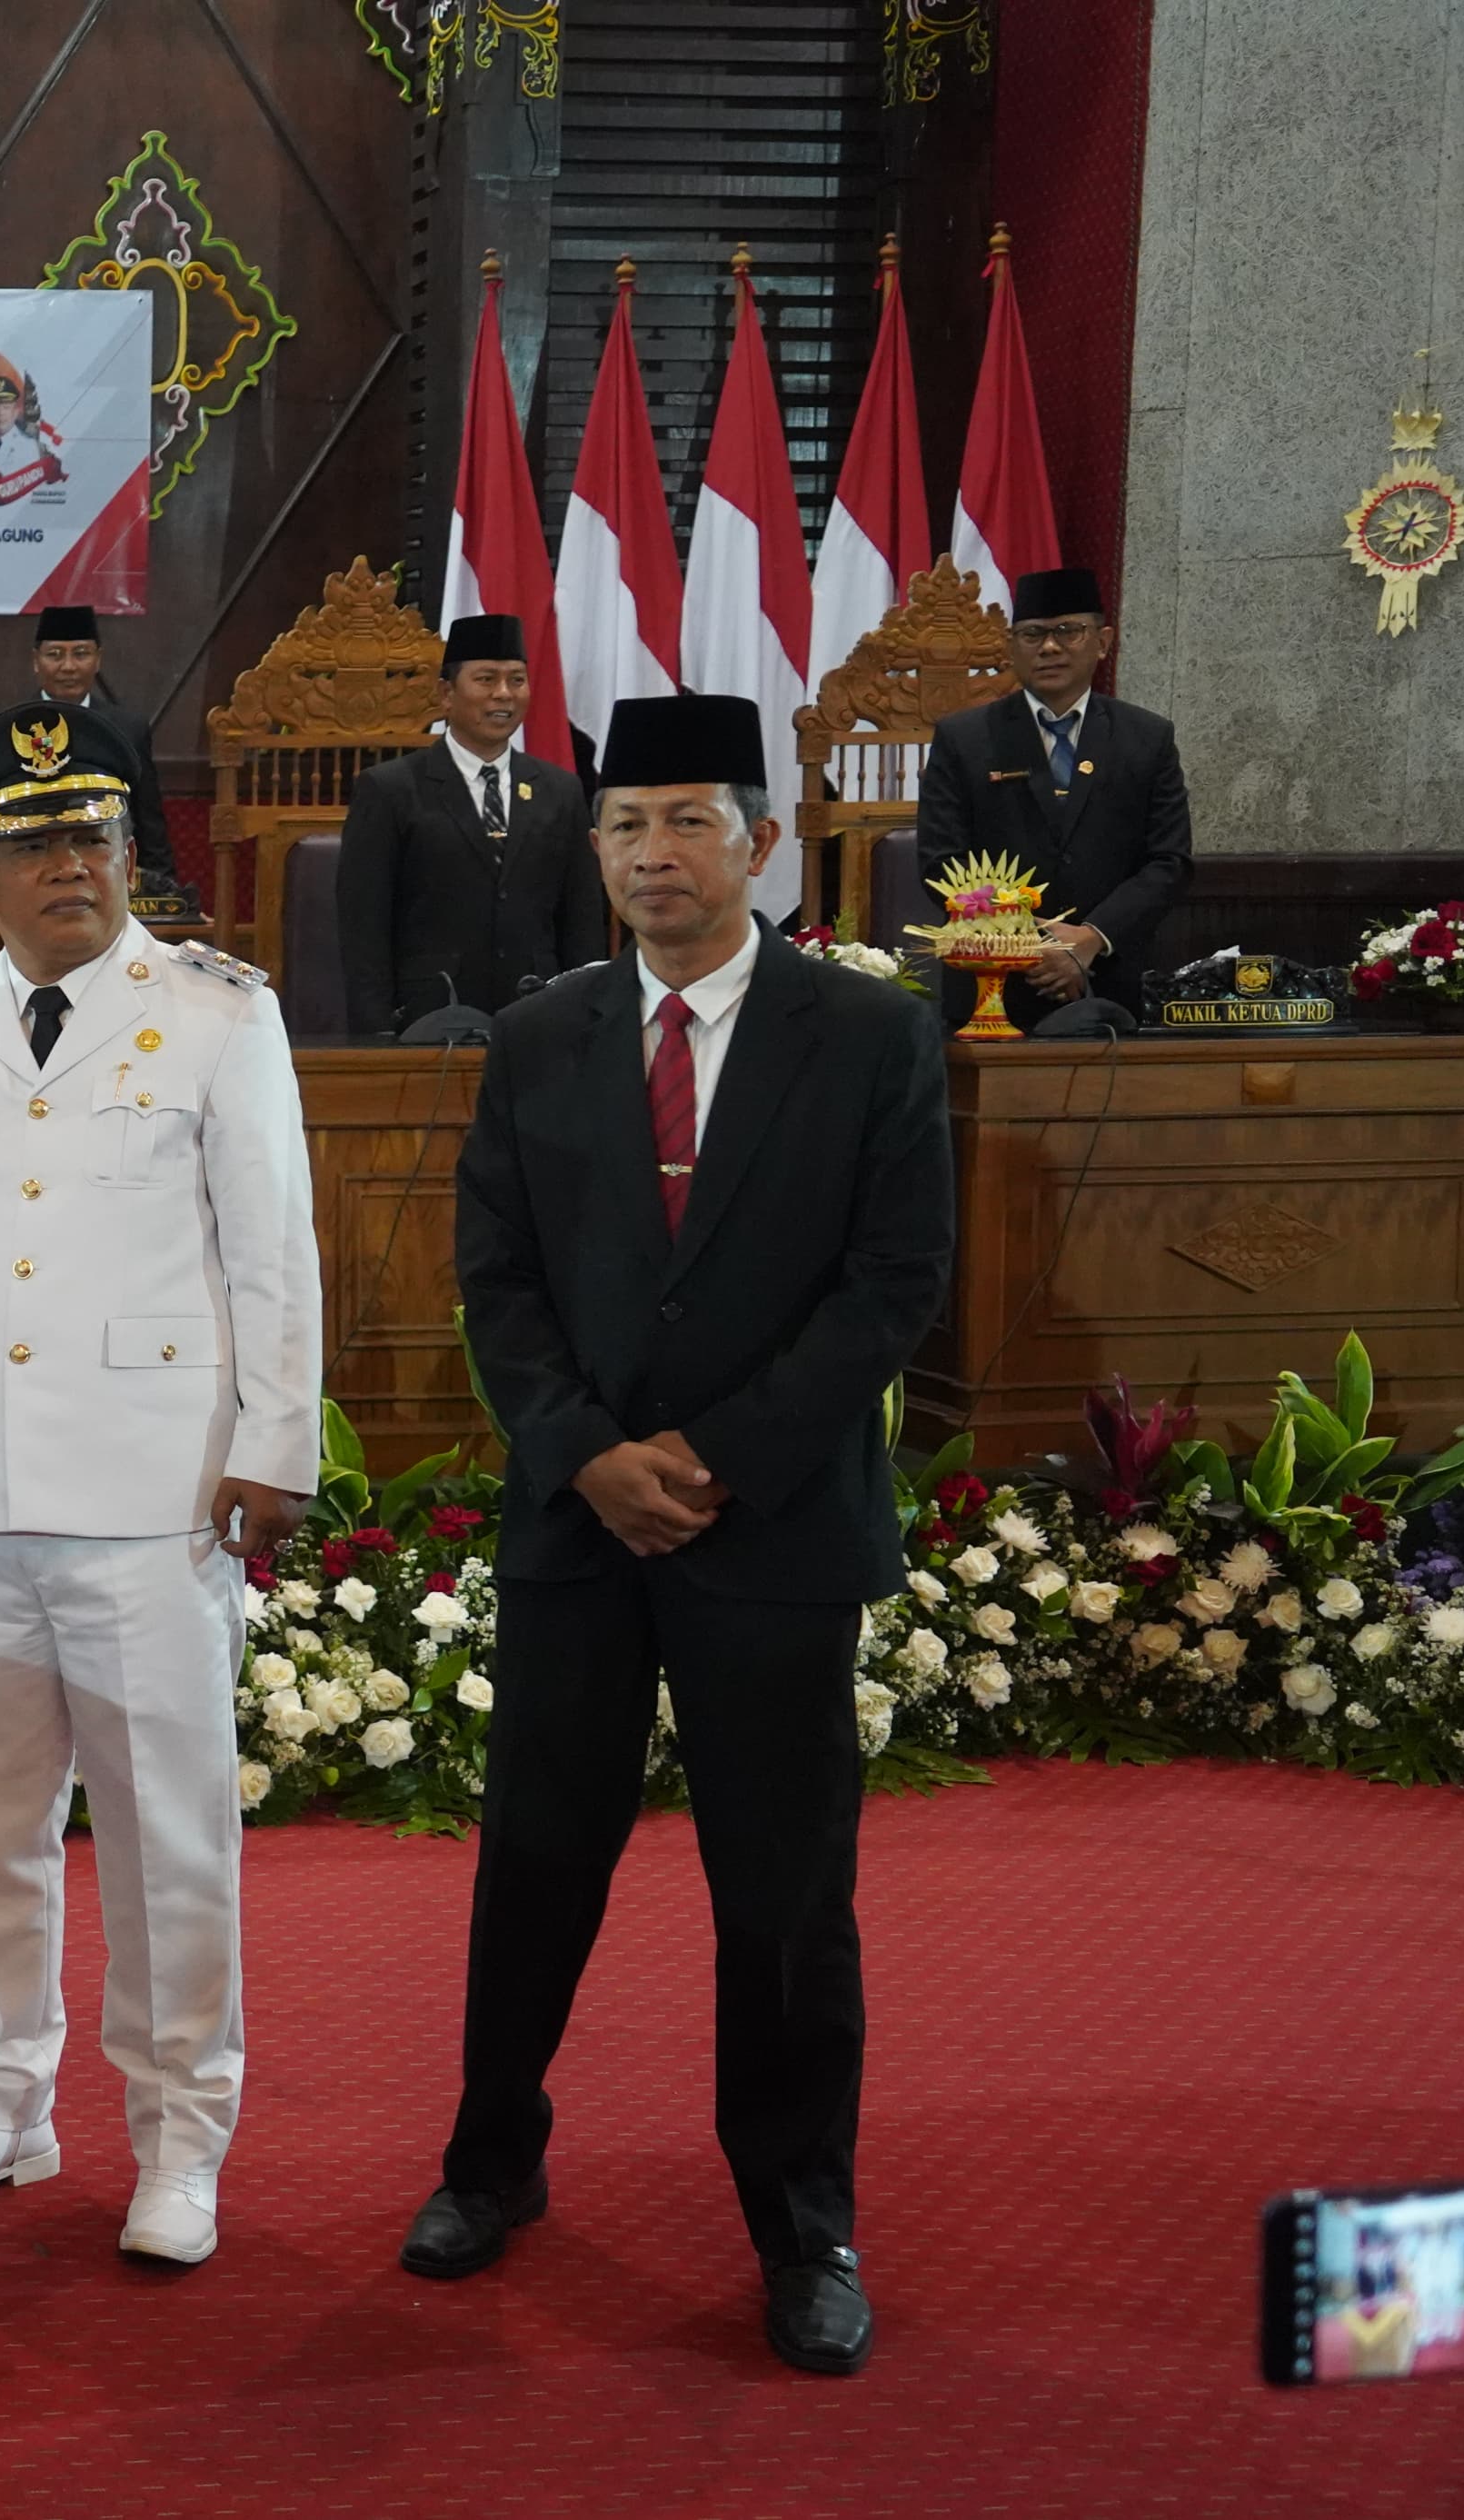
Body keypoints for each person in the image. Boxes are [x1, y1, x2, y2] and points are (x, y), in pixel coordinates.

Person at [405, 692, 953, 2377]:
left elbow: (893, 1286)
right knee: (535, 1869)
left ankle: (806, 2224)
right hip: (584, 1530)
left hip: (770, 1532)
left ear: (761, 842)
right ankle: (492, 2162)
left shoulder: (867, 1036)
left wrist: (711, 1457)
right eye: (626, 826)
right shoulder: (540, 1031)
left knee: (784, 1899)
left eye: (689, 823)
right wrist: (587, 1457)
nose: (653, 854)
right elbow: (497, 1283)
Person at [0, 702, 321, 2266]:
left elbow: (273, 1248)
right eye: (33, 842)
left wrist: (275, 1442)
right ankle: (0, 2103)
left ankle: (182, 2133)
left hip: (151, 1491)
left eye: (94, 835)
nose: (71, 864)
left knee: (169, 1832)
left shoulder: (215, 1012)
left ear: (129, 851)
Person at [913, 565, 1192, 1028]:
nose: (1049, 647)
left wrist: (1090, 939)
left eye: (1069, 631)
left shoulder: (1147, 737)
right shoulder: (964, 738)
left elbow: (1169, 861)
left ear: (1103, 642)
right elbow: (941, 861)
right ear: (1010, 648)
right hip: (993, 983)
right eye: (1032, 634)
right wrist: (1034, 947)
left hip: (1112, 974)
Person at [335, 613, 606, 1035]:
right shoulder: (390, 789)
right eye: (486, 680)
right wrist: (376, 1034)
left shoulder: (561, 790)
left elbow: (583, 920)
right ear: (446, 694)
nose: (503, 694)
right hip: (426, 1020)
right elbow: (363, 927)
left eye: (517, 680)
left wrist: (584, 1017)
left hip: (539, 1018)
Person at [25, 605, 170, 857]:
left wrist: (162, 888)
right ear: (36, 661)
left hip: (106, 862)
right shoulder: (9, 727)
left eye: (81, 654)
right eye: (55, 655)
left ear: (98, 659)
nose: (68, 667)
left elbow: (149, 824)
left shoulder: (127, 729)